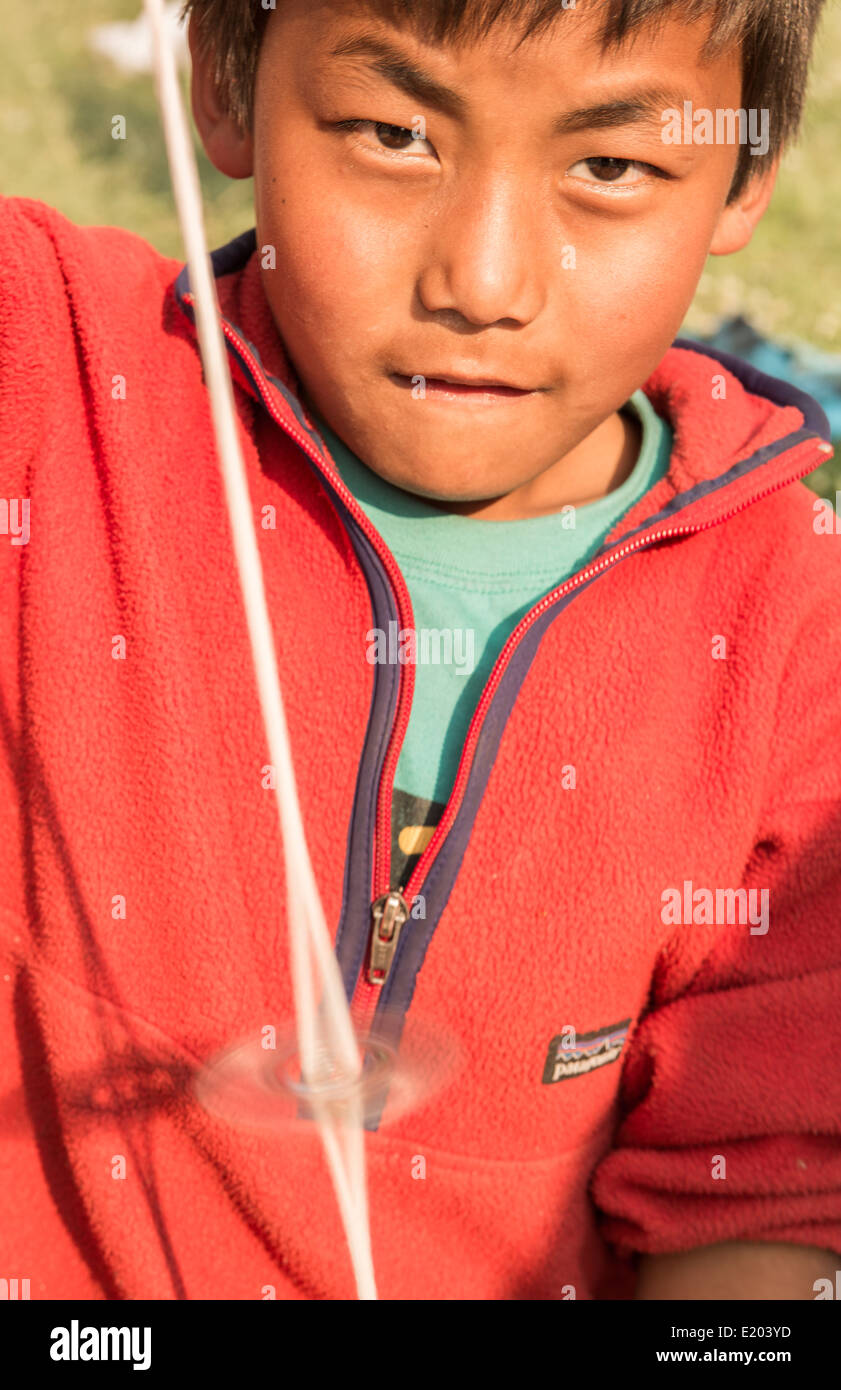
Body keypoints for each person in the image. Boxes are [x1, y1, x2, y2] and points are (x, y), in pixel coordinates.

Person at [1, 0, 839, 1301]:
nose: (482, 282)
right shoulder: (58, 382)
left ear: (740, 174)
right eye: (393, 133)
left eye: (609, 167)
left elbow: (756, 1188)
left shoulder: (795, 637)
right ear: (223, 84)